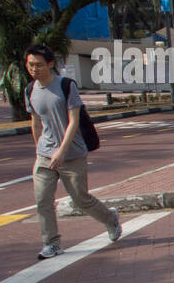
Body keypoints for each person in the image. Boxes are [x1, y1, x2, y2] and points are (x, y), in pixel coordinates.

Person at [24, 44, 121, 259]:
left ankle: (110, 218)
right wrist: (40, 148)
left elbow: (74, 121)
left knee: (80, 199)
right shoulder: (30, 90)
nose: (34, 69)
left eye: (39, 65)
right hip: (45, 155)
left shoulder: (66, 86)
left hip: (73, 153)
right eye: (31, 65)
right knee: (42, 200)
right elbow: (36, 122)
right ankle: (52, 243)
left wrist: (61, 152)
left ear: (50, 64)